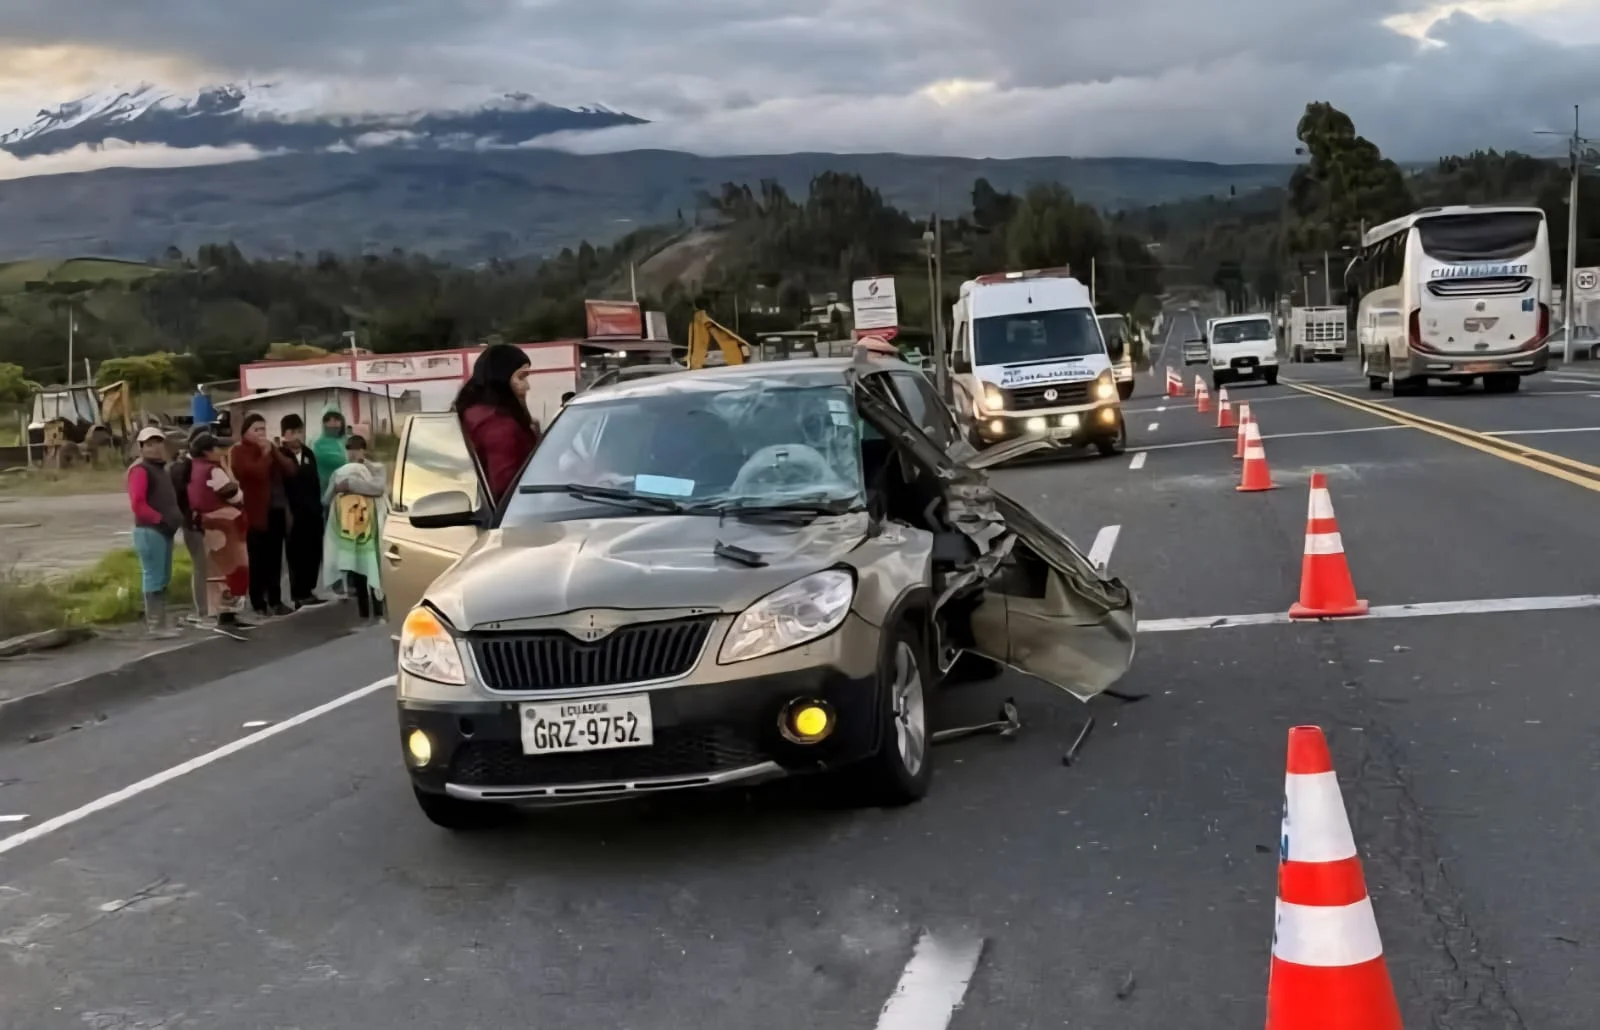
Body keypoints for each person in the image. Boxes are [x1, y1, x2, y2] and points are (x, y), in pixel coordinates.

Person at [229, 412, 297, 617]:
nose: (261, 433)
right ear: (245, 432)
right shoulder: (239, 451)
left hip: (276, 509)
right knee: (257, 558)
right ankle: (258, 601)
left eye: (263, 429)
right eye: (256, 429)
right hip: (255, 511)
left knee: (276, 557)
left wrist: (274, 452)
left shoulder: (270, 449)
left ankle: (275, 599)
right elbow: (254, 472)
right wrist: (266, 454)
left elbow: (291, 470)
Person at [456, 343, 539, 503]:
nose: (527, 386)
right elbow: (506, 489)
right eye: (521, 377)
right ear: (501, 379)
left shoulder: (472, 412)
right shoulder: (498, 425)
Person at [321, 434, 388, 620]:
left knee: (375, 567)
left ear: (363, 450)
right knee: (359, 571)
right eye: (350, 449)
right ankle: (364, 613)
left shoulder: (376, 469)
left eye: (357, 449)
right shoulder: (340, 472)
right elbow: (326, 499)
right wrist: (336, 488)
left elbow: (377, 488)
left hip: (372, 527)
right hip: (351, 529)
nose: (353, 453)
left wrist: (349, 484)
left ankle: (379, 610)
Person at [187, 432, 249, 629]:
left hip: (205, 524)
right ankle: (228, 614)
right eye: (217, 448)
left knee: (215, 567)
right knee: (232, 566)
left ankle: (218, 611)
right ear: (207, 451)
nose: (221, 452)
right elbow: (234, 495)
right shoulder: (214, 471)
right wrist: (237, 487)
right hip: (224, 523)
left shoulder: (192, 469)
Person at [127, 426, 183, 638]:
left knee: (163, 577)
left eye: (158, 443)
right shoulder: (141, 470)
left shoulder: (160, 469)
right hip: (150, 530)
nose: (155, 448)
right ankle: (155, 625)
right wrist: (161, 519)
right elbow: (138, 503)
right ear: (141, 447)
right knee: (153, 577)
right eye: (149, 444)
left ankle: (162, 621)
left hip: (164, 531)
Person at [279, 413, 329, 609]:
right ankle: (297, 593)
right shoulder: (281, 455)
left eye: (300, 431)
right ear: (285, 434)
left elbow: (315, 482)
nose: (298, 435)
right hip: (293, 511)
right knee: (296, 553)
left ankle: (309, 589)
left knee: (313, 551)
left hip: (312, 510)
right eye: (294, 432)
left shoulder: (308, 453)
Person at [168, 428, 209, 624]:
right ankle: (202, 610)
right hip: (192, 524)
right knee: (201, 566)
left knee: (208, 567)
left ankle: (210, 607)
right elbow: (180, 498)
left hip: (204, 523)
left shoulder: (200, 465)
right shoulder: (182, 468)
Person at [311, 406, 349, 504]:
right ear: (323, 423)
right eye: (328, 420)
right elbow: (341, 461)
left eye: (336, 419)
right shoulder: (317, 443)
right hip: (324, 492)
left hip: (346, 493)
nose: (332, 423)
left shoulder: (346, 440)